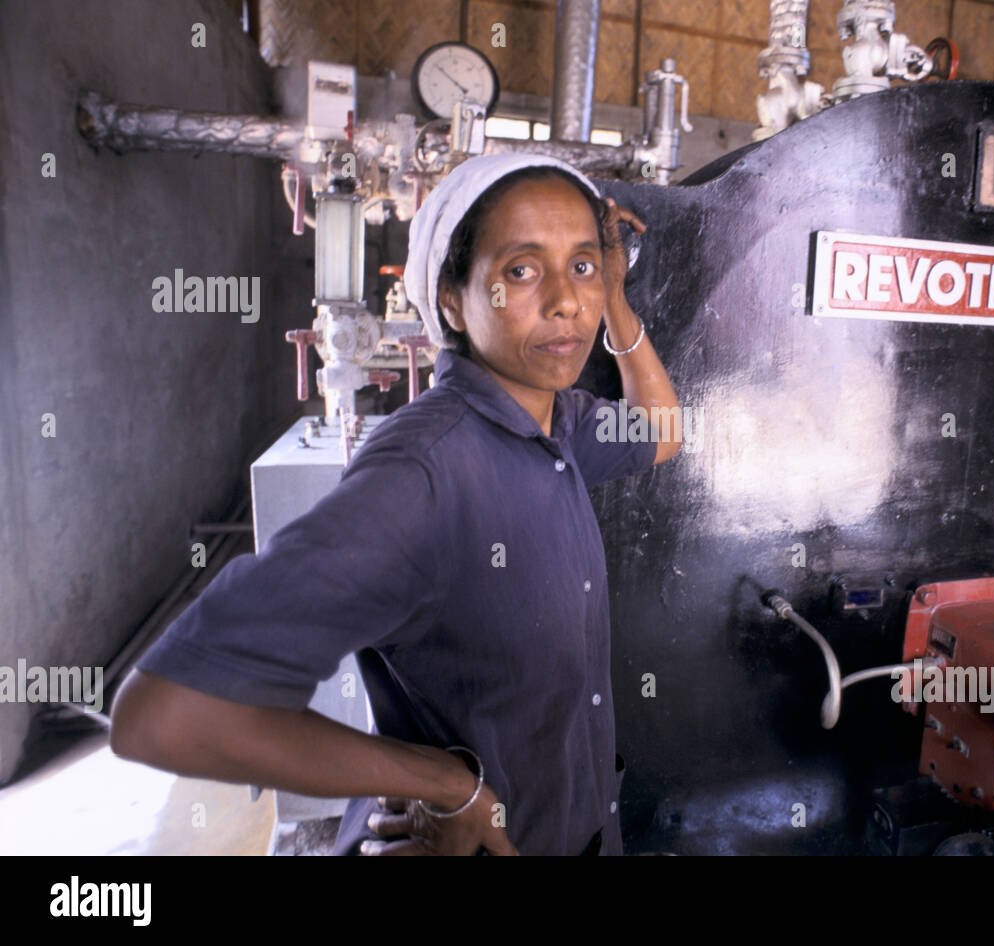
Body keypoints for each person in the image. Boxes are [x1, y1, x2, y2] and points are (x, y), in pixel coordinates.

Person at [109, 152, 683, 856]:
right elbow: (170, 712)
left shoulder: (558, 422)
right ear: (451, 300)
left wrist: (616, 300)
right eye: (522, 271)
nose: (567, 300)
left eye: (584, 267)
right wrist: (444, 783)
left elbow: (660, 431)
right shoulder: (426, 471)